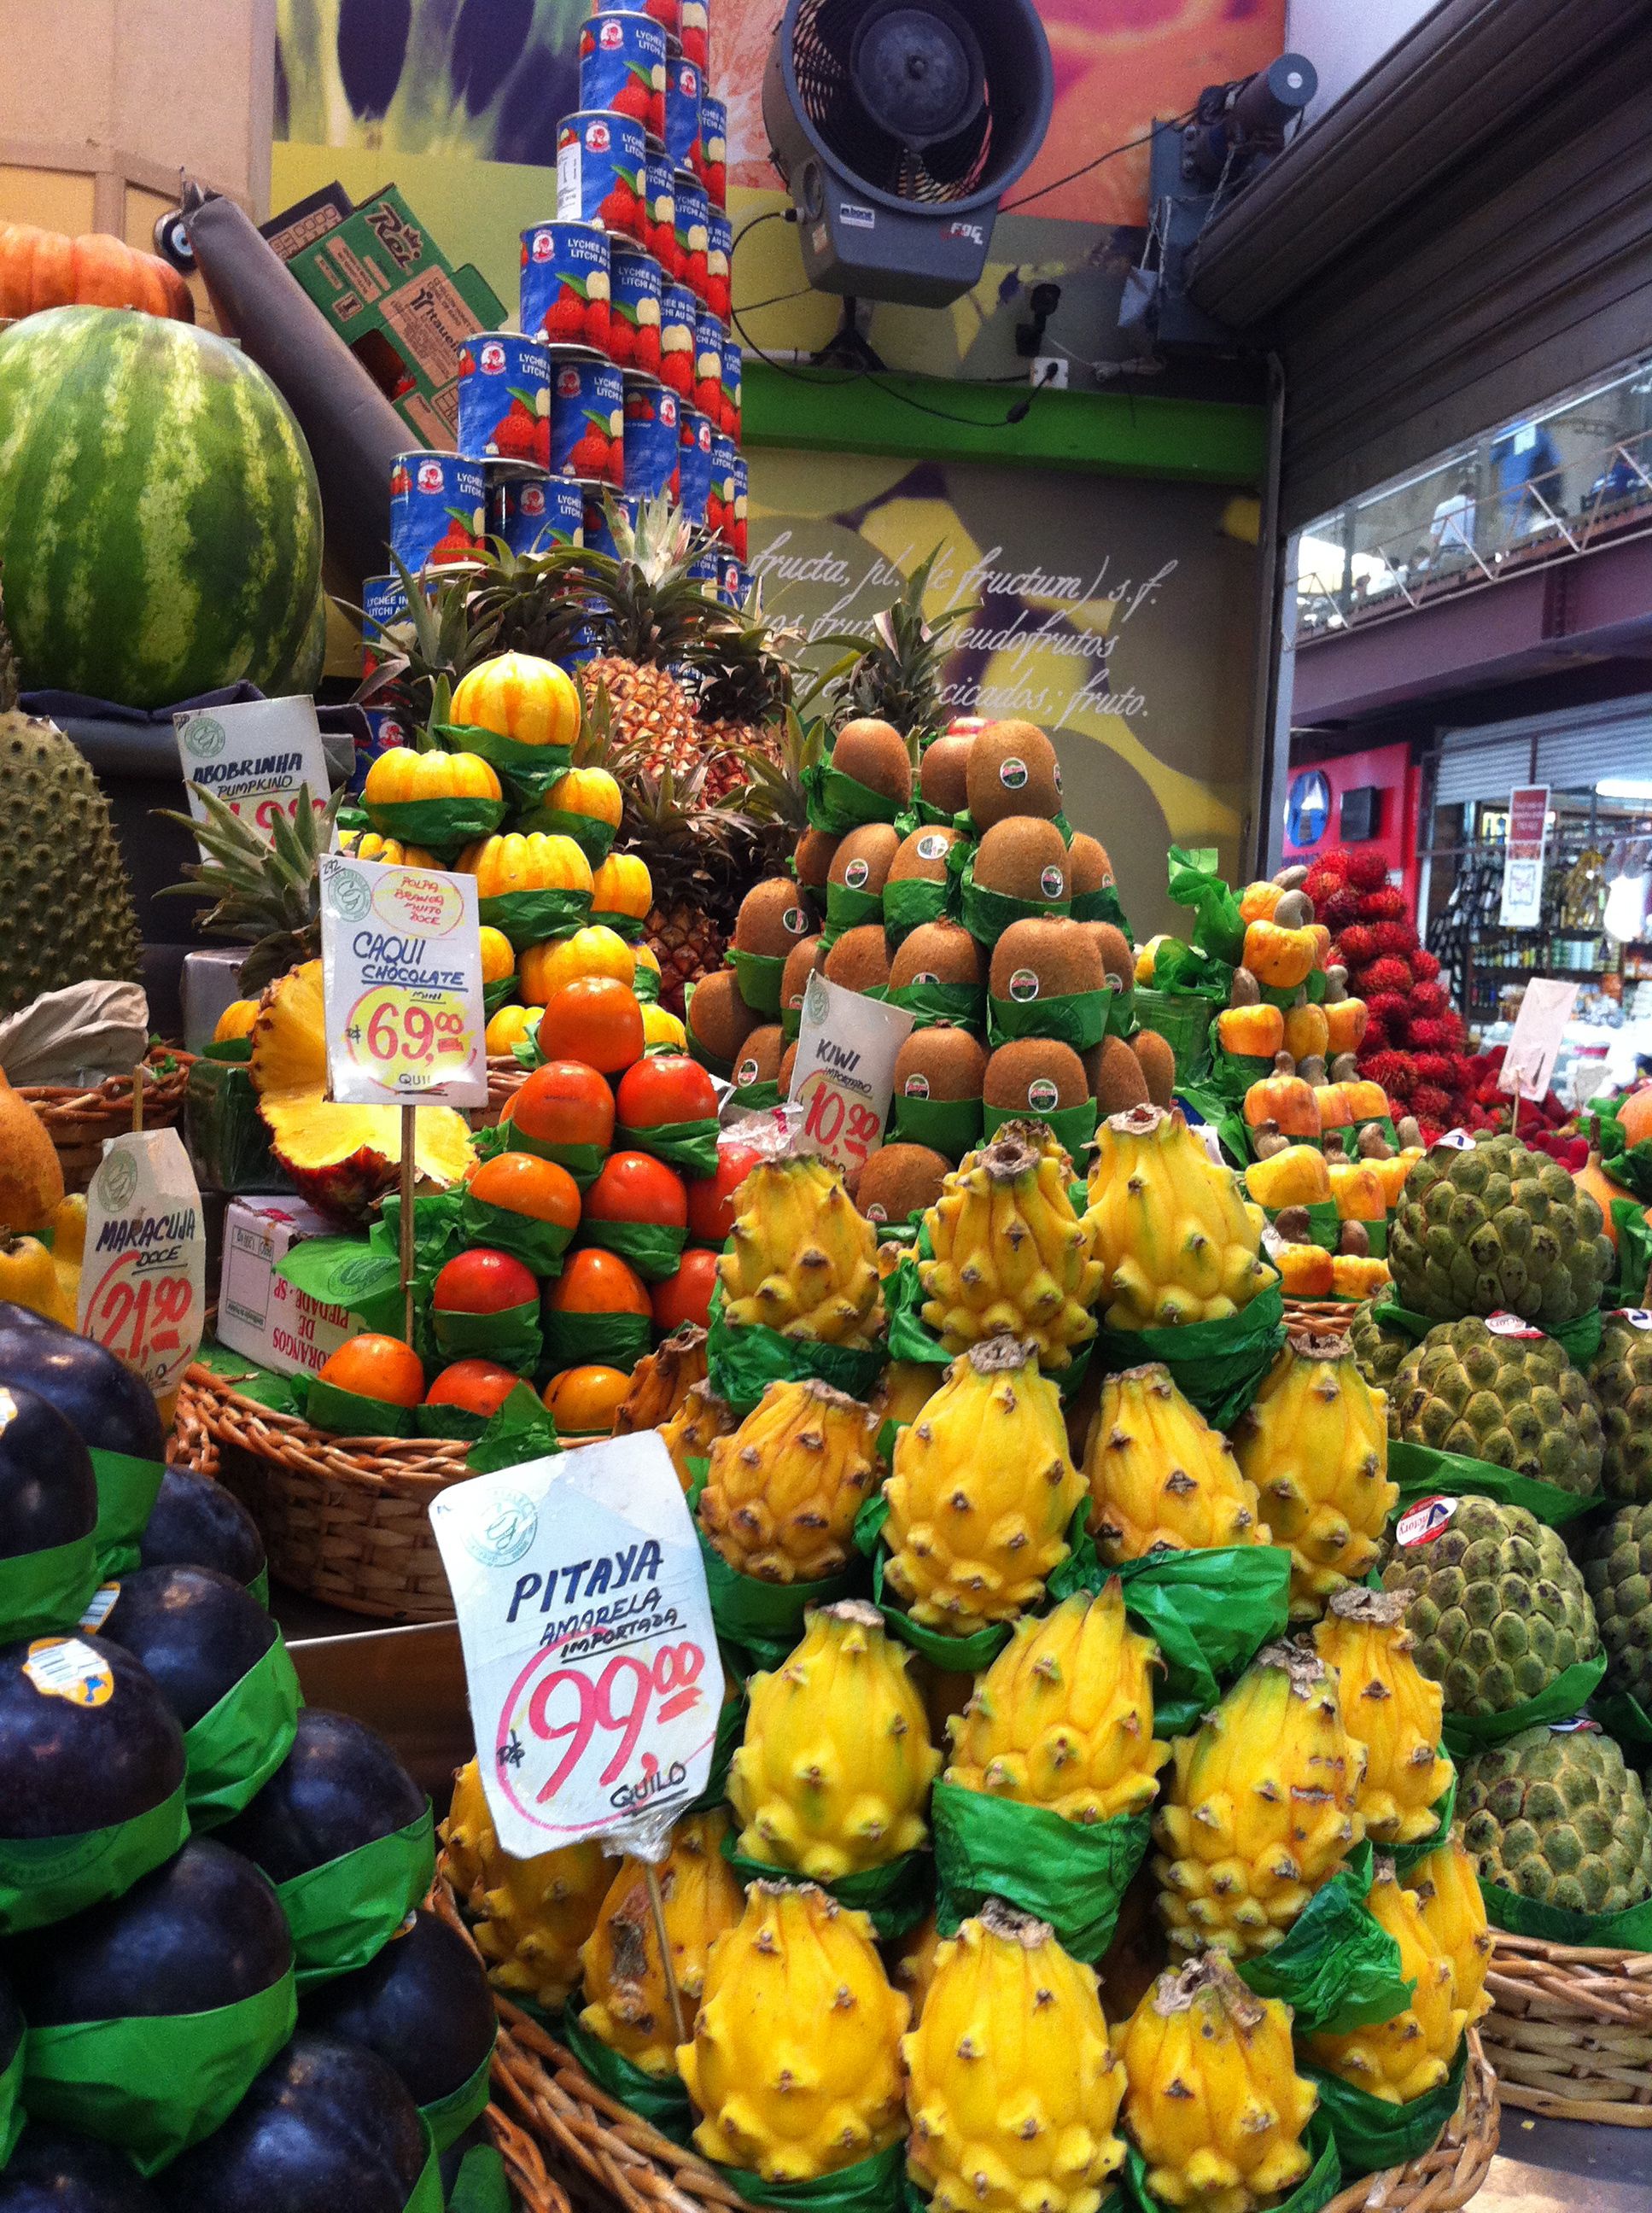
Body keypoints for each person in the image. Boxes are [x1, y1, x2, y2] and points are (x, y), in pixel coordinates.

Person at [1431, 470, 1477, 555]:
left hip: (1445, 553)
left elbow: (1435, 538)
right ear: (1472, 493)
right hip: (1469, 552)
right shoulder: (1475, 506)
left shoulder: (1441, 507)